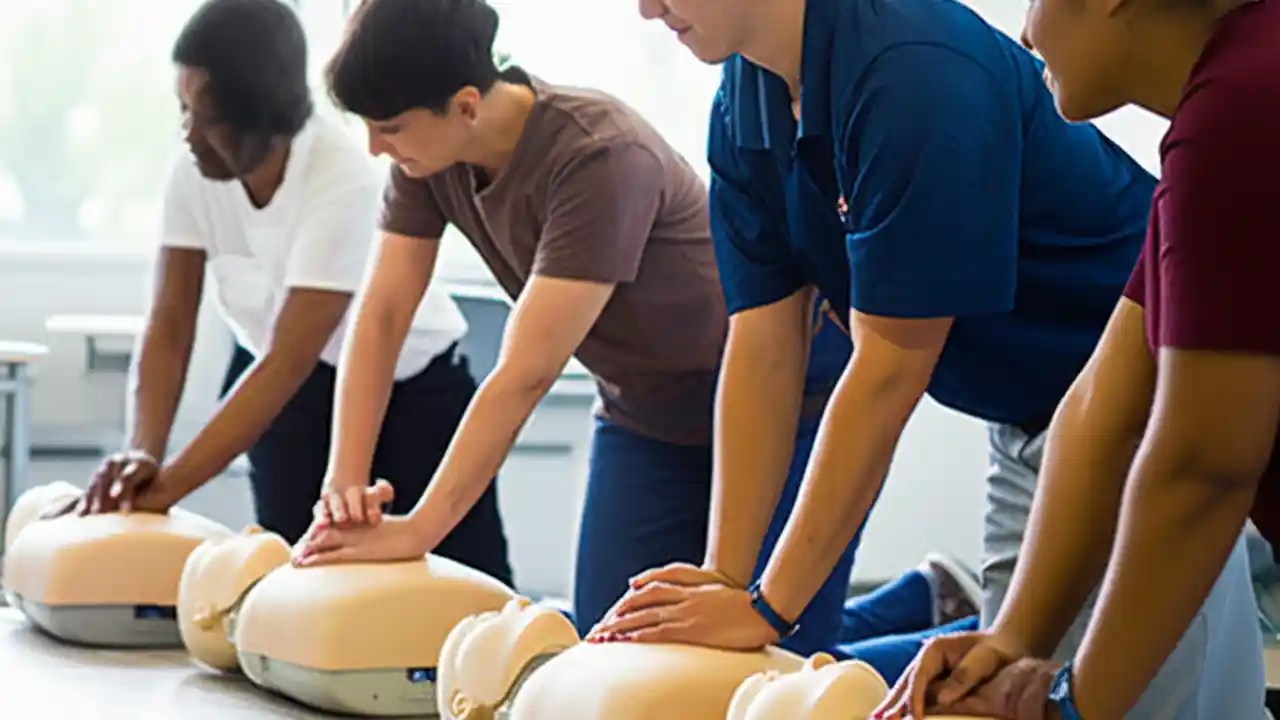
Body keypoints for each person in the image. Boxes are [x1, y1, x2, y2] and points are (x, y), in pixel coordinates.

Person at [590, 0, 1261, 706]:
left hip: (1157, 408)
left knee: (1146, 697)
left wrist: (769, 607)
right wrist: (725, 577)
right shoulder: (747, 104)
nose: (647, 8)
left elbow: (888, 370)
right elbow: (763, 344)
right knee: (1004, 680)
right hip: (1034, 420)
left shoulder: (913, 68)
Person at [288, 0, 868, 654]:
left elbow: (525, 372)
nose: (374, 147)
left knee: (774, 658)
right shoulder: (427, 160)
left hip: (781, 399)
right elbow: (383, 315)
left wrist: (421, 530)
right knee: (612, 643)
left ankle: (931, 615)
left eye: (389, 127)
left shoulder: (598, 154)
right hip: (646, 414)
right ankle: (913, 598)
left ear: (466, 105)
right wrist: (343, 485)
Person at [879, 0, 1280, 717]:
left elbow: (1202, 468)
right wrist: (1012, 639)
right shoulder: (1226, 106)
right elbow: (1105, 406)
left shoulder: (1243, 109)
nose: (1026, 32)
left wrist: (1075, 703)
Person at [64, 0, 513, 586]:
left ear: (263, 114)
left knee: (457, 583)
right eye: (183, 110)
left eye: (207, 116)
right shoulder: (193, 172)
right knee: (296, 577)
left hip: (410, 390)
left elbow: (288, 359)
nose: (189, 134)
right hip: (283, 390)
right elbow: (170, 324)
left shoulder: (340, 175)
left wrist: (165, 491)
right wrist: (144, 455)